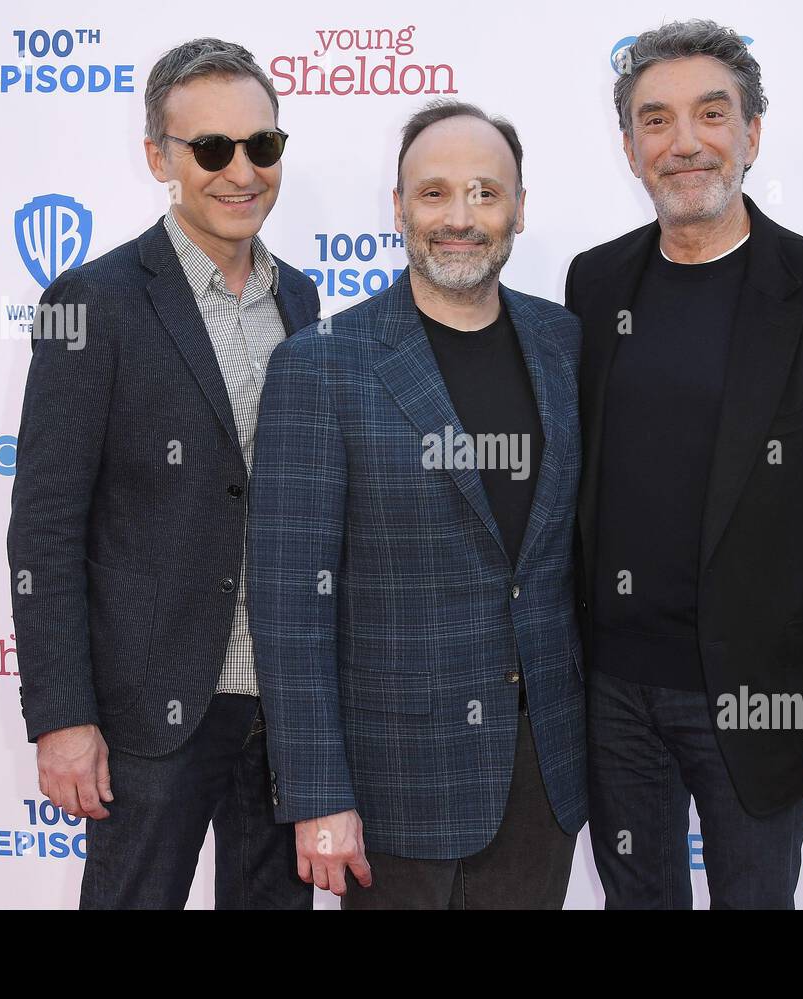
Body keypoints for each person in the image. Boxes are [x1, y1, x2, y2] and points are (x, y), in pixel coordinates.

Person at [567, 19, 803, 908]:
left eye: (711, 114)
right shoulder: (593, 285)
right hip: (612, 694)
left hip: (760, 703)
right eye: (656, 121)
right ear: (631, 148)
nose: (684, 143)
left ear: (753, 133)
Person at [248, 100, 586, 909]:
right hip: (390, 787)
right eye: (433, 194)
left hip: (543, 778)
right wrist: (318, 794)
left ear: (519, 209)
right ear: (397, 210)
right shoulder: (322, 365)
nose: (460, 219)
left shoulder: (566, 344)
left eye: (485, 193)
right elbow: (290, 602)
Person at [6, 37, 319, 909]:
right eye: (211, 148)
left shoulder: (301, 298)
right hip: (151, 707)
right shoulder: (93, 301)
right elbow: (45, 525)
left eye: (262, 145)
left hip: (284, 708)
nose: (241, 170)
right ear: (159, 157)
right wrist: (64, 717)